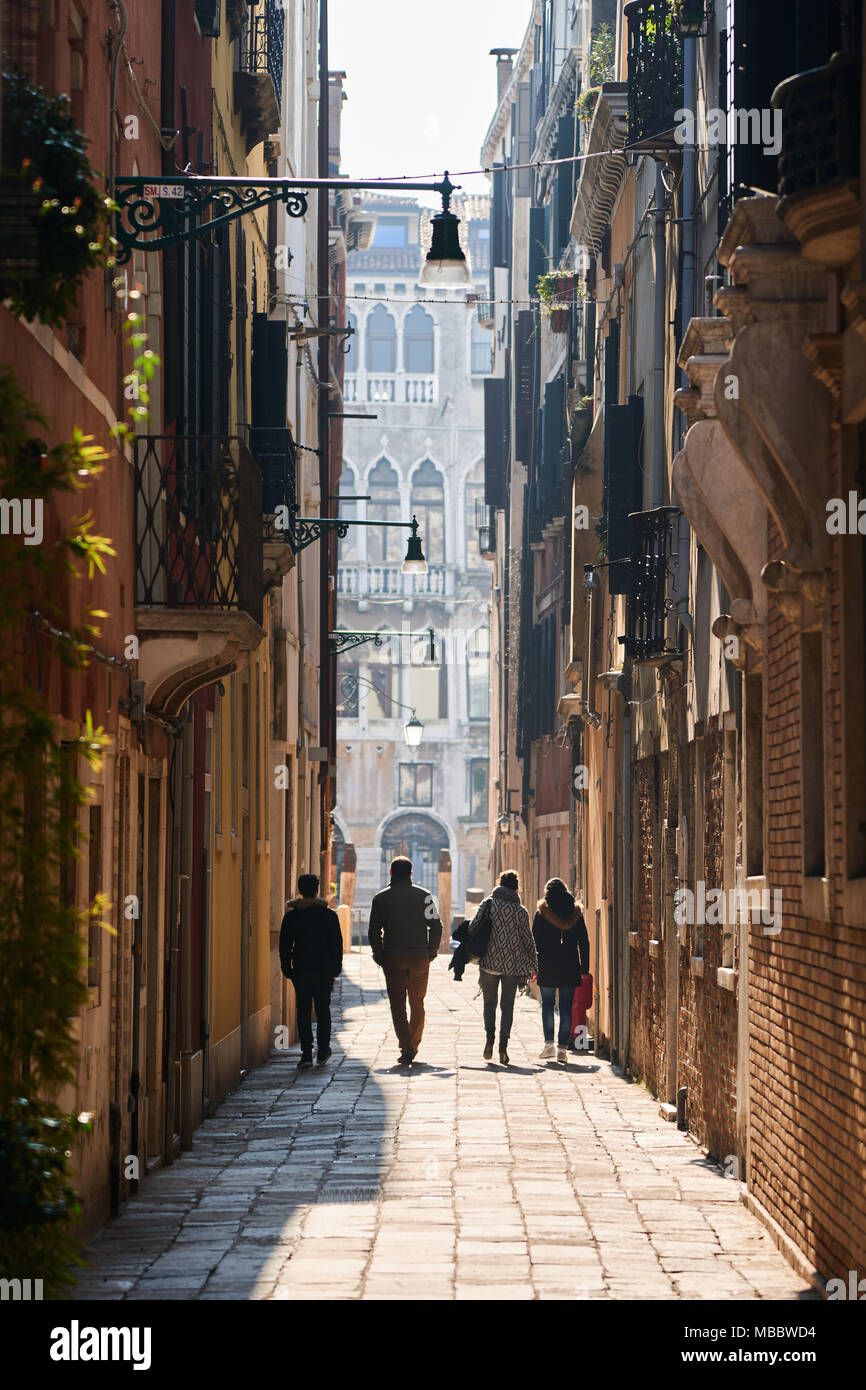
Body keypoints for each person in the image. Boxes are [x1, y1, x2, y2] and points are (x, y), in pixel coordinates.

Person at [368, 855, 442, 1065]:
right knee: (417, 1003)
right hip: (419, 958)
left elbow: (374, 931)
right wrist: (432, 952)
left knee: (397, 1005)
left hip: (393, 957)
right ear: (411, 874)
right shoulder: (424, 895)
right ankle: (413, 1045)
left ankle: (406, 1046)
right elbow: (436, 926)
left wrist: (379, 955)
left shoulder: (380, 898)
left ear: (390, 873)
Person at [466, 870, 537, 1066]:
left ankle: (490, 1037)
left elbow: (473, 927)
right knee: (507, 1007)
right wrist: (533, 966)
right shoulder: (521, 911)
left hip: (489, 963)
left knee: (489, 1004)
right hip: (512, 967)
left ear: (499, 883)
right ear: (516, 887)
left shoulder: (488, 904)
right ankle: (503, 1049)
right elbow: (528, 940)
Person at [279, 873, 344, 1070]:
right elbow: (337, 944)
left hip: (302, 969)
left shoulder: (292, 916)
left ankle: (306, 1053)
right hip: (324, 970)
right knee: (323, 1010)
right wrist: (336, 967)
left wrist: (286, 967)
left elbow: (285, 945)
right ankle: (323, 1050)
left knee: (303, 1010)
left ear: (300, 890)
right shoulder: (329, 916)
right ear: (317, 889)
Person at [532, 877, 590, 1065]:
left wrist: (534, 966)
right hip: (569, 966)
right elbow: (584, 942)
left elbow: (535, 943)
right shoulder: (575, 912)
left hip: (547, 966)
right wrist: (584, 967)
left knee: (547, 1006)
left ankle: (549, 1045)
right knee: (566, 1008)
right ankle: (562, 1050)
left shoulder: (542, 912)